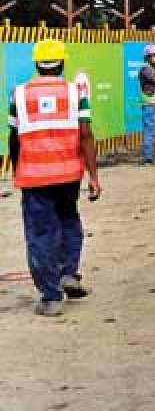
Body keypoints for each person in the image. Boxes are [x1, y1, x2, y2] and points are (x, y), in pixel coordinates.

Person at [8, 39, 101, 316]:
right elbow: (85, 135)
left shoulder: (19, 94)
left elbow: (14, 137)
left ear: (37, 63)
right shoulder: (75, 93)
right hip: (68, 173)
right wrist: (93, 176)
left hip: (34, 176)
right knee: (68, 220)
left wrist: (17, 170)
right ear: (62, 62)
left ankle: (50, 296)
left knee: (40, 234)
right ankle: (68, 273)